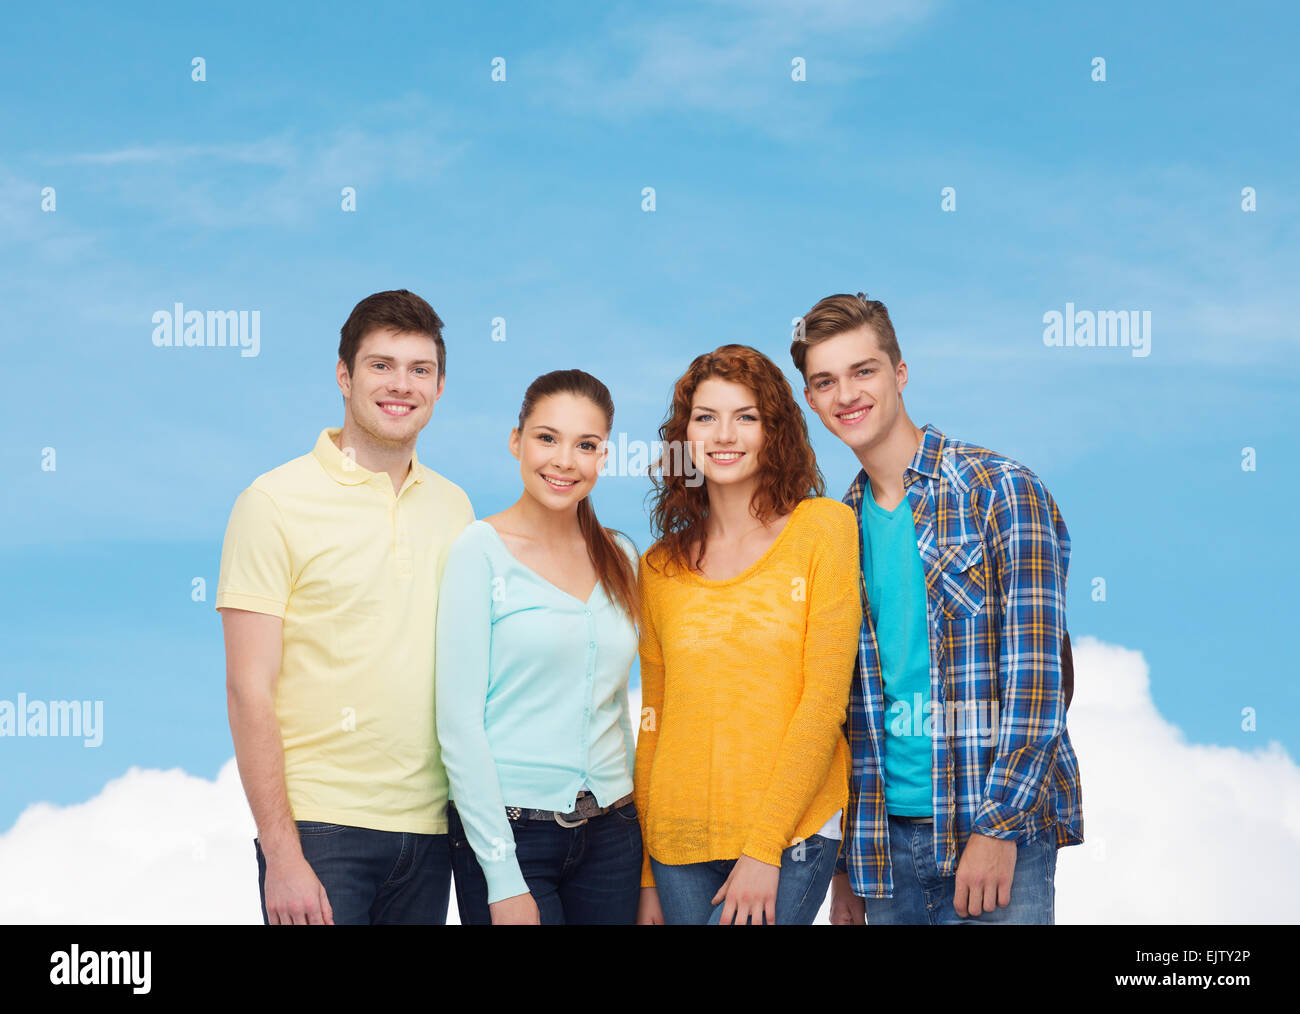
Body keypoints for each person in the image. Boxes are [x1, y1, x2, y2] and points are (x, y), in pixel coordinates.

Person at [791, 292, 1083, 925]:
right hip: (882, 851)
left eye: (862, 371)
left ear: (899, 373)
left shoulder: (1001, 489)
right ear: (811, 401)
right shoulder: (833, 531)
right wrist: (844, 867)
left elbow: (1039, 679)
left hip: (994, 832)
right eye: (825, 382)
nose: (846, 395)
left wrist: (998, 829)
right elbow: (839, 706)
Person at [215, 289, 475, 925]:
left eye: (420, 370)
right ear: (344, 376)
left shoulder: (456, 509)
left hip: (431, 831)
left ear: (440, 386)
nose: (401, 385)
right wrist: (282, 854)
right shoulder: (272, 502)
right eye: (381, 365)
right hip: (320, 832)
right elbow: (248, 689)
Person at [634, 345, 861, 925]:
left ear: (774, 430)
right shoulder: (659, 567)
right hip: (675, 849)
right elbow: (654, 720)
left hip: (789, 837)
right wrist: (646, 878)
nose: (723, 434)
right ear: (685, 434)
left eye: (746, 416)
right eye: (706, 417)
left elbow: (823, 702)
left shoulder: (823, 529)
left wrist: (764, 847)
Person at [436, 370, 643, 925]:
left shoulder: (621, 556)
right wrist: (501, 876)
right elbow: (458, 725)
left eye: (586, 445)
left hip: (615, 833)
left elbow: (616, 706)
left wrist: (643, 856)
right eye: (547, 438)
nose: (564, 461)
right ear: (516, 441)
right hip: (512, 833)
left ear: (604, 456)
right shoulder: (479, 552)